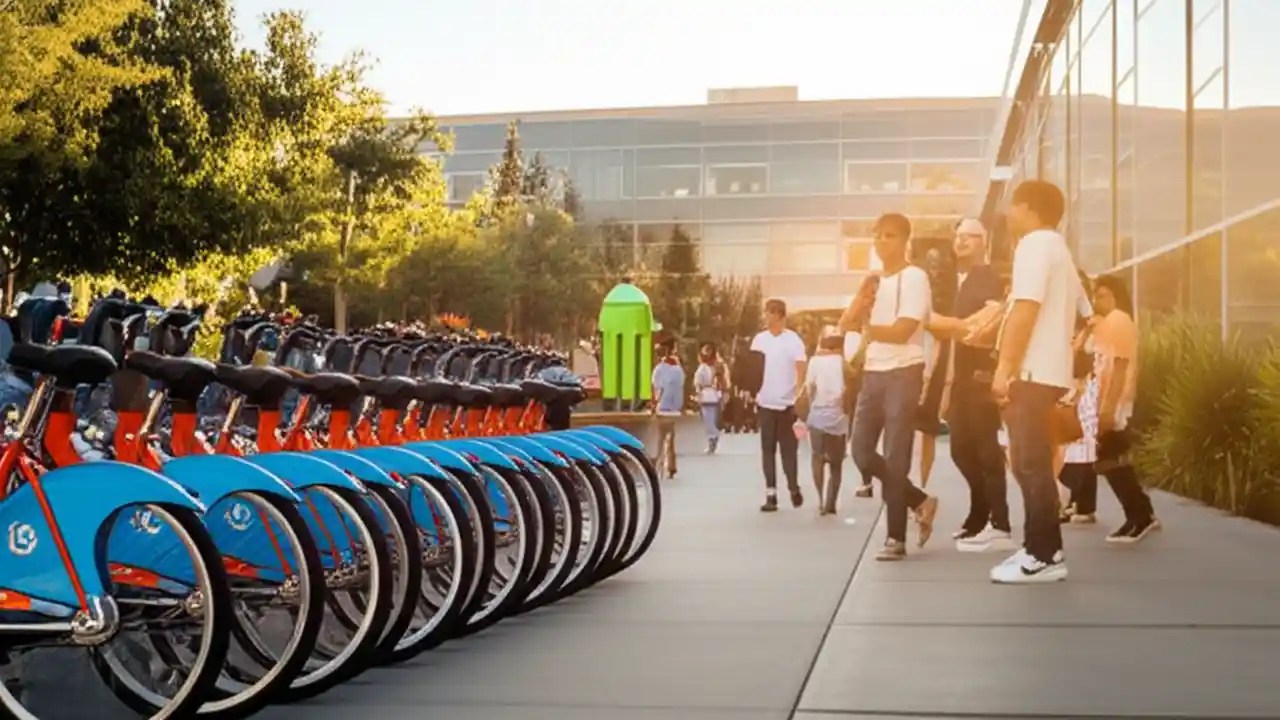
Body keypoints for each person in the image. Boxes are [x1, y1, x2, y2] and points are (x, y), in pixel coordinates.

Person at [989, 180, 1083, 584]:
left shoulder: (1033, 245)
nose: (1009, 214)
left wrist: (1004, 368)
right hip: (1048, 372)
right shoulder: (1059, 251)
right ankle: (1039, 547)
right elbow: (1084, 311)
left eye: (1013, 206)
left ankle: (1044, 555)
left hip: (1030, 374)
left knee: (1030, 465)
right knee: (1032, 464)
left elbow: (1026, 309)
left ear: (1028, 208)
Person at [847, 213, 940, 561]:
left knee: (897, 453)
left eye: (888, 236)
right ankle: (919, 500)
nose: (880, 242)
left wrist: (870, 328)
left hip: (904, 370)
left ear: (904, 241)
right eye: (876, 236)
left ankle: (895, 537)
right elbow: (846, 323)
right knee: (860, 451)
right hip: (874, 371)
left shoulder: (915, 278)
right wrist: (861, 298)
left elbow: (903, 330)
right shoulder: (873, 282)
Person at [925, 218, 1013, 551]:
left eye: (971, 237)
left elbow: (986, 327)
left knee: (987, 451)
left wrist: (950, 325)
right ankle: (979, 515)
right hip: (958, 380)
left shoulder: (988, 279)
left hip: (980, 378)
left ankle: (999, 524)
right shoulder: (954, 281)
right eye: (958, 237)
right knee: (962, 450)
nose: (962, 242)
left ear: (984, 242)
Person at [1091, 274, 1160, 542]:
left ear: (1117, 297)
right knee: (1110, 457)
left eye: (1103, 295)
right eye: (1096, 295)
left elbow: (1119, 366)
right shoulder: (1108, 322)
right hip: (1109, 397)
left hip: (1115, 398)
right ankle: (1141, 512)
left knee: (1110, 458)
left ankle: (1140, 516)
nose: (1097, 300)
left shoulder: (1118, 320)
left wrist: (1109, 406)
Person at [750, 298, 808, 512]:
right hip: (765, 402)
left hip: (787, 404)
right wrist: (751, 391)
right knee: (767, 450)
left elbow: (801, 367)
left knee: (788, 450)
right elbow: (753, 367)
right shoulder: (759, 340)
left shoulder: (793, 340)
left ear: (780, 316)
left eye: (770, 313)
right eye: (765, 313)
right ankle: (771, 494)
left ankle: (793, 486)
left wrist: (799, 393)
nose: (766, 317)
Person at [804, 327, 849, 515]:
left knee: (817, 457)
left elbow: (809, 389)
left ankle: (820, 499)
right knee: (836, 463)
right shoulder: (843, 363)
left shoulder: (814, 362)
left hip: (818, 415)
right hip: (838, 416)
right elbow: (849, 388)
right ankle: (832, 502)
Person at [650, 339, 686, 479]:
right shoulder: (678, 370)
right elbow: (681, 387)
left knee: (660, 437)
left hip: (662, 406)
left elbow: (655, 387)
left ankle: (658, 463)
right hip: (674, 407)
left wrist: (653, 404)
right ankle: (671, 465)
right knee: (671, 436)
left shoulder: (659, 369)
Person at [693, 342, 727, 454]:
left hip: (706, 395)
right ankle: (714, 437)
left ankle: (712, 438)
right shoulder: (717, 366)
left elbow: (698, 382)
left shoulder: (703, 367)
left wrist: (698, 393)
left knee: (708, 419)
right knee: (713, 418)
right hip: (715, 395)